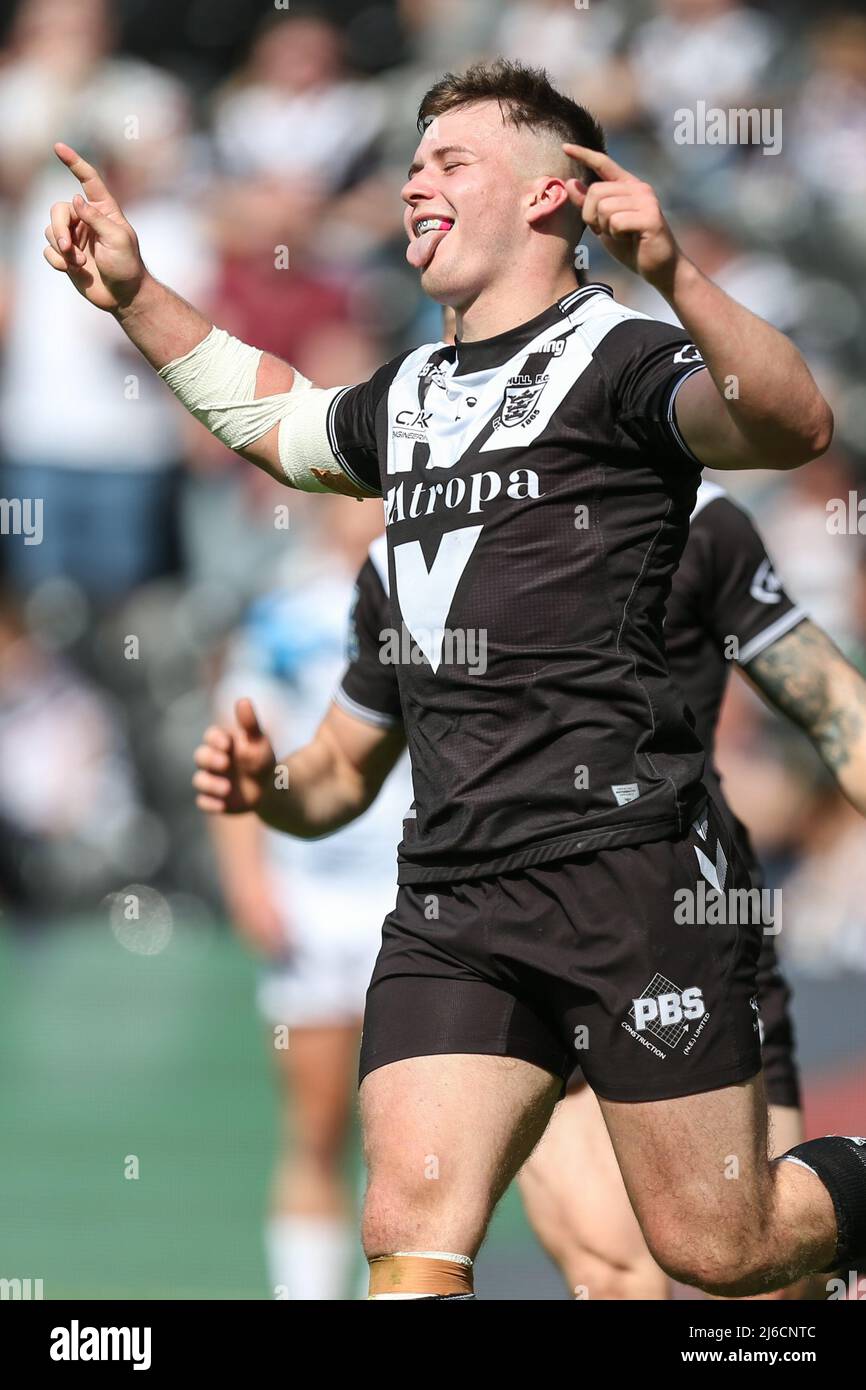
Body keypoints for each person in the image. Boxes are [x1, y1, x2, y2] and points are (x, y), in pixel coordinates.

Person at [45, 58, 858, 1302]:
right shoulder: (415, 392)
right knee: (409, 1234)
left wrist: (678, 273)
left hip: (622, 872)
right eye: (413, 159)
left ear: (547, 195)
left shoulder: (619, 356)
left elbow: (789, 424)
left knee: (719, 1250)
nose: (414, 180)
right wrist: (137, 296)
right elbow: (285, 425)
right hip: (451, 893)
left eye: (448, 159)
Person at [195, 478, 866, 1301]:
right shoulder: (401, 560)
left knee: (757, 1279)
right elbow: (336, 769)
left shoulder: (698, 516)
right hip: (498, 933)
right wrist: (271, 787)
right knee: (607, 1273)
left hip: (687, 920)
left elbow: (837, 706)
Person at [208, 499, 410, 1301]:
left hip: (417, 895)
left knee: (410, 1144)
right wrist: (247, 880)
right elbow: (235, 744)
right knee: (316, 1126)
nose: (366, 502)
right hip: (316, 900)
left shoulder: (444, 590)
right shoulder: (283, 615)